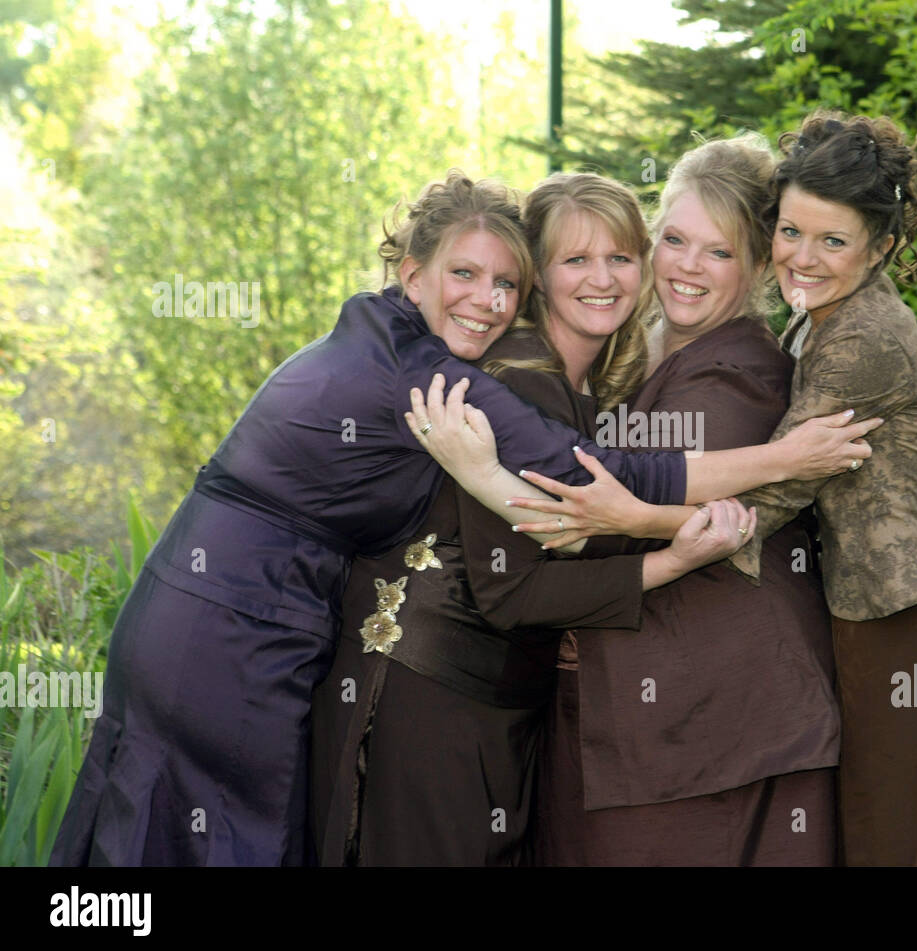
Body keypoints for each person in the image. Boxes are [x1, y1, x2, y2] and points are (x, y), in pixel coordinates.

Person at [50, 171, 870, 867]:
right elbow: (583, 507)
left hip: (260, 618)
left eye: (502, 282)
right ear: (412, 276)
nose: (487, 300)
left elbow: (551, 512)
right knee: (208, 838)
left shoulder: (426, 348)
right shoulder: (464, 379)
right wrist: (784, 462)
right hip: (236, 627)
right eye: (467, 276)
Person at [501, 112, 917, 866]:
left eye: (832, 241)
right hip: (858, 625)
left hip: (905, 630)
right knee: (895, 834)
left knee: (914, 839)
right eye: (673, 240)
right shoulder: (800, 325)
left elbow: (756, 509)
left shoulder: (818, 350)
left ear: (881, 247)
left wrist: (623, 512)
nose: (803, 258)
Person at [415, 136, 842, 865]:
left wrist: (488, 477)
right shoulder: (633, 349)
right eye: (673, 240)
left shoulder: (736, 372)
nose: (684, 267)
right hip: (656, 725)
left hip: (710, 727)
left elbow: (604, 511)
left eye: (719, 252)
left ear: (761, 265)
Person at [310, 172, 755, 865]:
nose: (601, 278)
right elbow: (512, 591)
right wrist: (671, 561)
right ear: (537, 278)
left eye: (620, 258)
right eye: (575, 260)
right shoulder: (518, 381)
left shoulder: (580, 387)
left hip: (493, 703)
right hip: (428, 698)